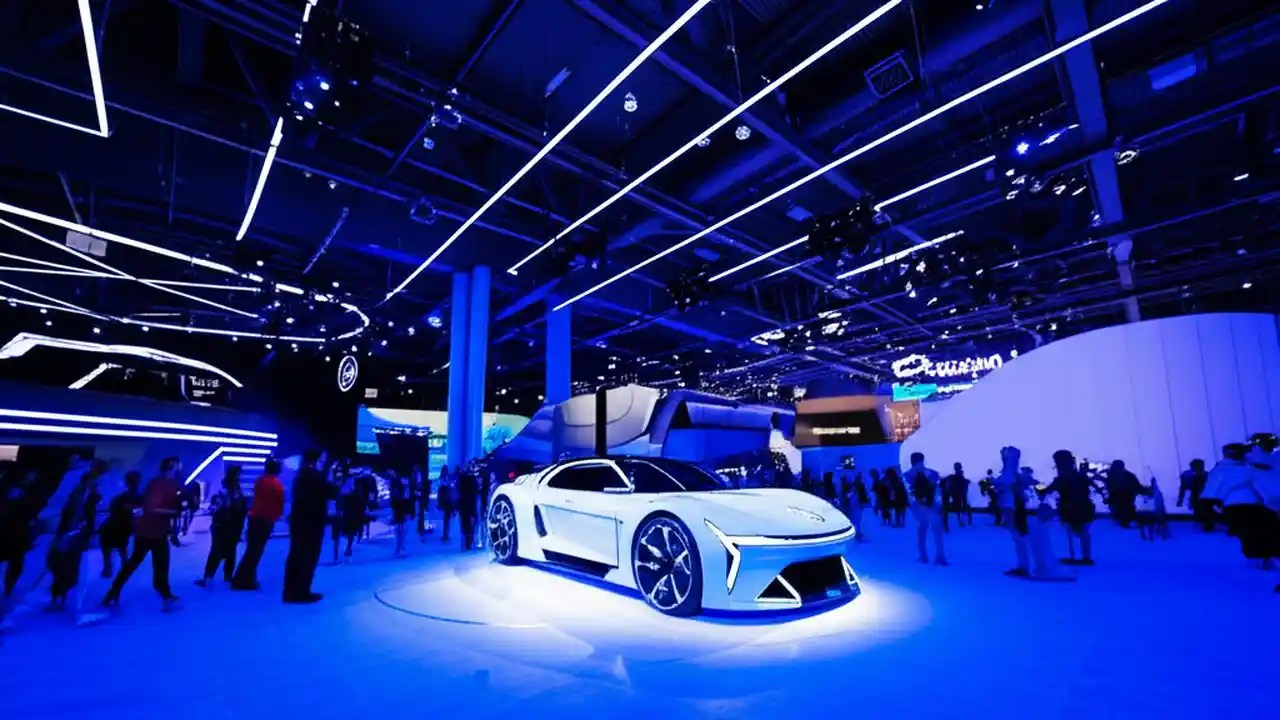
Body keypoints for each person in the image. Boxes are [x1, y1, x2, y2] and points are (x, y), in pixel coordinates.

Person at [102, 458, 182, 609]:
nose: (177, 469)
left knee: (143, 562)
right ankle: (163, 593)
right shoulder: (159, 484)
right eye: (175, 466)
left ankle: (114, 592)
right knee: (156, 562)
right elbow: (151, 508)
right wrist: (172, 512)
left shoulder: (165, 484)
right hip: (151, 530)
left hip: (153, 530)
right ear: (169, 467)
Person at [1203, 442, 1277, 568]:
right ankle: (1262, 557)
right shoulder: (1249, 467)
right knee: (1258, 530)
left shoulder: (1222, 469)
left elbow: (1212, 490)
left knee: (1249, 532)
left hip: (1236, 506)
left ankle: (1258, 557)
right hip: (1250, 505)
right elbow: (1263, 484)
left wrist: (1214, 506)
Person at [47, 459, 106, 611]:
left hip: (74, 534)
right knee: (63, 565)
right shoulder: (82, 492)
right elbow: (74, 512)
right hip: (72, 533)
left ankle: (60, 596)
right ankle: (59, 596)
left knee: (66, 565)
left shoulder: (87, 493)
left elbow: (85, 514)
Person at [283, 450, 336, 604]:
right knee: (308, 557)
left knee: (295, 556)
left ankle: (290, 591)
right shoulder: (314, 476)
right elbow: (333, 492)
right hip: (311, 523)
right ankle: (302, 592)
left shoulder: (300, 475)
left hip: (299, 522)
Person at [231, 458, 285, 591]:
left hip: (255, 518)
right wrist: (275, 518)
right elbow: (278, 505)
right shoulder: (276, 485)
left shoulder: (260, 481)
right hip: (265, 520)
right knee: (256, 551)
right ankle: (243, 580)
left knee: (251, 550)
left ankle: (244, 578)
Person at [1042, 450, 1102, 565]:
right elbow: (1092, 485)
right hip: (1079, 508)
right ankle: (1082, 556)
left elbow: (1054, 488)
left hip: (1075, 508)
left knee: (1079, 531)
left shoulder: (1067, 477)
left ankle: (1082, 557)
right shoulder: (1075, 476)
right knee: (1078, 531)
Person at [197, 466, 248, 587]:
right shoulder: (233, 489)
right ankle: (227, 577)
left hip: (222, 525)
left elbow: (221, 507)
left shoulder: (227, 488)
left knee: (217, 551)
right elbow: (232, 507)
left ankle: (209, 577)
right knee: (229, 551)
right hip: (230, 525)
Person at [904, 453, 947, 565]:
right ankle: (940, 556)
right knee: (937, 532)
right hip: (932, 506)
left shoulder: (907, 475)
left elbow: (909, 494)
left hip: (919, 508)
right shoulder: (933, 473)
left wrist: (914, 507)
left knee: (921, 531)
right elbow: (938, 491)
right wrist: (938, 505)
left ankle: (923, 555)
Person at [99, 471, 143, 578]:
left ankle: (108, 567)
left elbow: (112, 508)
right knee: (122, 546)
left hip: (114, 525)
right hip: (125, 526)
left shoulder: (121, 497)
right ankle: (123, 566)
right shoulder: (139, 496)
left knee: (106, 544)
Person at [1178, 459, 1214, 532]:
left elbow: (1183, 488)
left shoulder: (1207, 475)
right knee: (1201, 515)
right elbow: (1183, 487)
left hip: (1204, 499)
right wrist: (1180, 500)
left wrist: (1180, 500)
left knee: (1204, 514)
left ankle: (1206, 527)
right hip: (1199, 499)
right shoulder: (1189, 476)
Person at [1105, 460, 1142, 528]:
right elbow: (1137, 487)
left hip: (1118, 499)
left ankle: (1124, 519)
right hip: (1125, 500)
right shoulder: (1129, 475)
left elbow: (1109, 487)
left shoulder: (1111, 475)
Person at [457, 464, 480, 551]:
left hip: (464, 505)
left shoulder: (462, 480)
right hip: (470, 504)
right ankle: (469, 542)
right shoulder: (472, 479)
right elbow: (476, 490)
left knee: (465, 523)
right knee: (470, 523)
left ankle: (467, 542)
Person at [390, 469, 412, 558]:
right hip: (401, 508)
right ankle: (400, 548)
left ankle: (399, 548)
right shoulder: (402, 486)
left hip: (399, 508)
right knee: (402, 530)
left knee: (400, 530)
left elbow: (395, 499)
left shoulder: (397, 487)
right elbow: (406, 498)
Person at [943, 463, 971, 528]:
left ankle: (961, 519)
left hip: (957, 492)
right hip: (958, 493)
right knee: (961, 503)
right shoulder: (957, 476)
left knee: (960, 502)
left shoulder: (956, 476)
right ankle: (961, 520)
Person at [437, 468, 456, 543]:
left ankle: (446, 534)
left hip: (446, 502)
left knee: (446, 519)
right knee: (446, 519)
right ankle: (446, 534)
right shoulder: (445, 481)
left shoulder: (444, 480)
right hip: (447, 501)